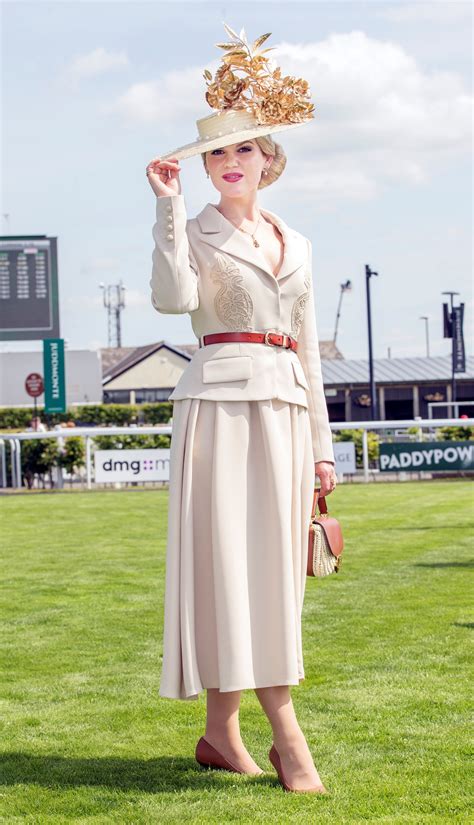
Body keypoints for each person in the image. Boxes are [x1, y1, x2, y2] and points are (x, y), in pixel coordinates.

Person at [146, 23, 337, 794]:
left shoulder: (300, 242)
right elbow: (172, 301)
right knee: (230, 569)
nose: (230, 164)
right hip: (218, 411)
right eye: (217, 154)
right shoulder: (190, 231)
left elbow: (309, 347)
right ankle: (289, 739)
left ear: (269, 160)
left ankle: (221, 731)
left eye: (243, 151)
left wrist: (324, 446)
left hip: (287, 413)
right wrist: (166, 209)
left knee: (269, 578)